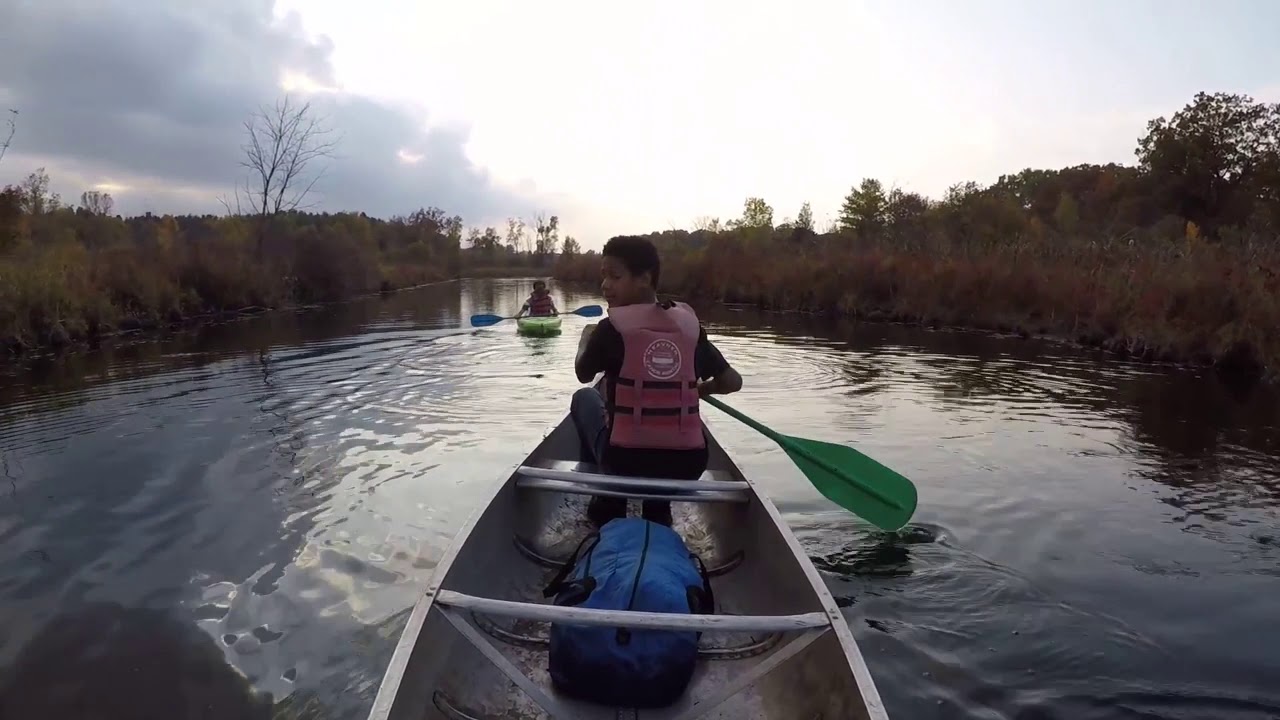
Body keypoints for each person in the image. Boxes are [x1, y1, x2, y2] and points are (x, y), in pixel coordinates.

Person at [571, 235, 743, 527]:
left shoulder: (609, 328)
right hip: (688, 464)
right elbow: (732, 381)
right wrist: (703, 389)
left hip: (624, 460)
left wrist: (585, 339)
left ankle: (606, 496)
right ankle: (658, 510)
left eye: (615, 276)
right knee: (660, 446)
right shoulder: (688, 326)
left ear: (644, 279)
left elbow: (583, 374)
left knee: (583, 398)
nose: (605, 285)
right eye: (604, 277)